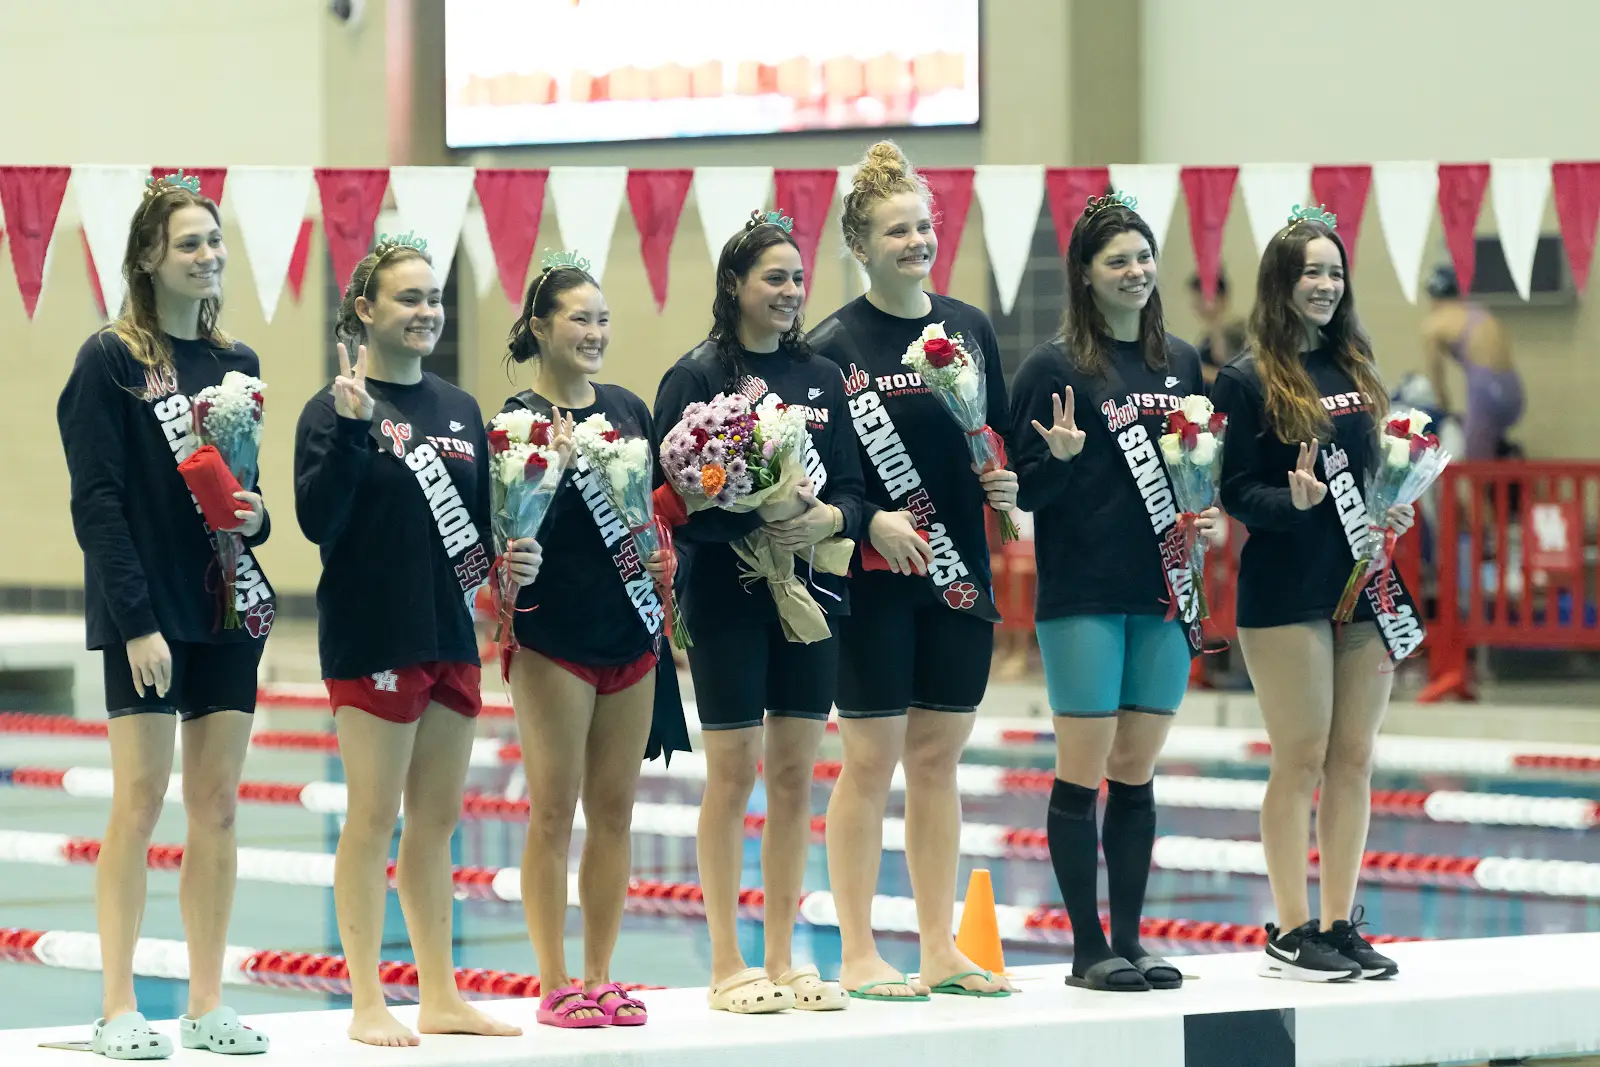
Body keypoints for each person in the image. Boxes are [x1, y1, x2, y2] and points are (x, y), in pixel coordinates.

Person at [293, 235, 541, 1046]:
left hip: (448, 636)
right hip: (374, 634)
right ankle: (368, 997)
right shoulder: (333, 407)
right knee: (372, 819)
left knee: (435, 824)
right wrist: (360, 432)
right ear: (365, 310)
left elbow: (471, 529)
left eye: (434, 298)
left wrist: (513, 556)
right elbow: (316, 521)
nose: (427, 311)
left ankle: (441, 993)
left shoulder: (460, 408)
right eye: (409, 298)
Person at [57, 172, 274, 1060]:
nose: (208, 255)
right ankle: (117, 1007)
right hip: (144, 611)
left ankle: (206, 1000)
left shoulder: (240, 365)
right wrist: (136, 619)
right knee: (140, 801)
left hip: (225, 604)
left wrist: (257, 517)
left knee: (216, 807)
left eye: (215, 241)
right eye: (190, 242)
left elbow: (241, 497)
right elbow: (97, 501)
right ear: (150, 256)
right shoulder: (110, 359)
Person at [808, 141, 1018, 1000]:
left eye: (925, 226)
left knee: (937, 759)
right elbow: (817, 476)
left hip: (958, 572)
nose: (917, 241)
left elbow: (993, 435)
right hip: (872, 580)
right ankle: (858, 947)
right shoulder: (833, 347)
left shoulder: (965, 329)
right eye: (897, 230)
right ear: (860, 245)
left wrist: (1007, 477)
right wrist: (871, 522)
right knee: (869, 758)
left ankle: (939, 945)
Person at [1009, 193, 1224, 992]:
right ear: (1087, 276)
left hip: (1165, 588)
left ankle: (1131, 940)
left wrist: (1205, 517)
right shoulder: (1053, 368)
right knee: (1084, 764)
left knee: (1136, 767)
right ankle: (1086, 946)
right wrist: (1059, 458)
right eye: (1117, 261)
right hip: (1086, 592)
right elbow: (1023, 493)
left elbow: (1197, 470)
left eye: (1143, 257)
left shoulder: (1185, 364)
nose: (1136, 272)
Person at [653, 210, 865, 1014]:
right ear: (735, 285)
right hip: (729, 594)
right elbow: (671, 503)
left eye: (797, 278)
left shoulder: (819, 376)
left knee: (792, 773)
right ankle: (724, 958)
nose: (789, 291)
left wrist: (824, 520)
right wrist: (750, 518)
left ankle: (783, 955)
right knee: (735, 771)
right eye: (773, 277)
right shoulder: (698, 376)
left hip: (811, 592)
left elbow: (849, 485)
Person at [1211, 208, 1418, 983]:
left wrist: (1389, 498)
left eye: (1335, 272)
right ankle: (1292, 929)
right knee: (1300, 755)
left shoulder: (1354, 362)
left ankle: (1339, 921)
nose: (1326, 286)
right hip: (1285, 589)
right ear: (1280, 284)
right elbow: (1232, 490)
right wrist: (1288, 504)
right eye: (1311, 273)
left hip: (1364, 581)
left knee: (1354, 756)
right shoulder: (1245, 376)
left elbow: (1373, 468)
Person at [496, 254, 684, 1028]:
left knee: (615, 810)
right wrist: (510, 561)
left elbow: (652, 513)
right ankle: (553, 979)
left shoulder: (629, 410)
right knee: (553, 810)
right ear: (541, 326)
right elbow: (490, 533)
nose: (595, 331)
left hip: (630, 632)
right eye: (580, 318)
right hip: (553, 637)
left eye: (602, 319)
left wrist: (666, 547)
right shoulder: (512, 421)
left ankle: (602, 973)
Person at [1421, 264, 1525, 460]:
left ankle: (1488, 487)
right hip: (1513, 389)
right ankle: (1506, 459)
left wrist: (1442, 405)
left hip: (1486, 390)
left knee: (1475, 458)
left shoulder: (1433, 325)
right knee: (1493, 446)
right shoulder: (1479, 312)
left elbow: (1436, 374)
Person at [1189, 269, 1248, 386]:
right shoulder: (1208, 336)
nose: (1196, 305)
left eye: (1201, 299)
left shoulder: (1236, 331)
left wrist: (1200, 371)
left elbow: (1239, 377)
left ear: (1221, 298)